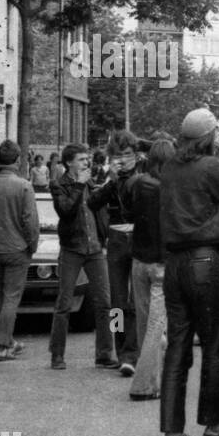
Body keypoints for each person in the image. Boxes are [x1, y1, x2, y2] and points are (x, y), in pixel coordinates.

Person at [158, 108, 219, 436]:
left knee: (178, 348)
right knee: (213, 346)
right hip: (204, 260)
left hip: (175, 264)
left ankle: (172, 433)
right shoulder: (212, 166)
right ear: (212, 137)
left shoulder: (169, 167)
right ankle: (215, 426)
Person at [48, 144, 117, 371]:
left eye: (87, 159)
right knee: (64, 303)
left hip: (95, 248)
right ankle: (57, 355)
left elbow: (99, 206)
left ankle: (105, 353)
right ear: (69, 163)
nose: (86, 163)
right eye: (81, 159)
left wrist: (112, 182)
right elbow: (65, 211)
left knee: (105, 302)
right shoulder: (59, 185)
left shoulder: (89, 182)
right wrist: (78, 185)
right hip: (72, 249)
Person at [0, 140, 38, 362]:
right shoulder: (24, 186)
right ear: (18, 159)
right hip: (17, 249)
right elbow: (30, 221)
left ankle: (8, 340)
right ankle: (1, 345)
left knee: (1, 297)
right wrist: (32, 245)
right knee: (12, 297)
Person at [125, 139, 175, 401]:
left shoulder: (137, 184)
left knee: (146, 324)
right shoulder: (171, 189)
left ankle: (155, 375)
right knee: (157, 325)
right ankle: (144, 385)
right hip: (161, 264)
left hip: (139, 261)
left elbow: (128, 213)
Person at [90, 130, 142, 376]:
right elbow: (91, 203)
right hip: (117, 240)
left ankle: (134, 351)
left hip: (141, 239)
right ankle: (122, 353)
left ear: (136, 155)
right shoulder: (111, 182)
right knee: (117, 302)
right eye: (118, 155)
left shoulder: (143, 178)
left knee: (136, 301)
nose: (123, 160)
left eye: (128, 155)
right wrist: (111, 180)